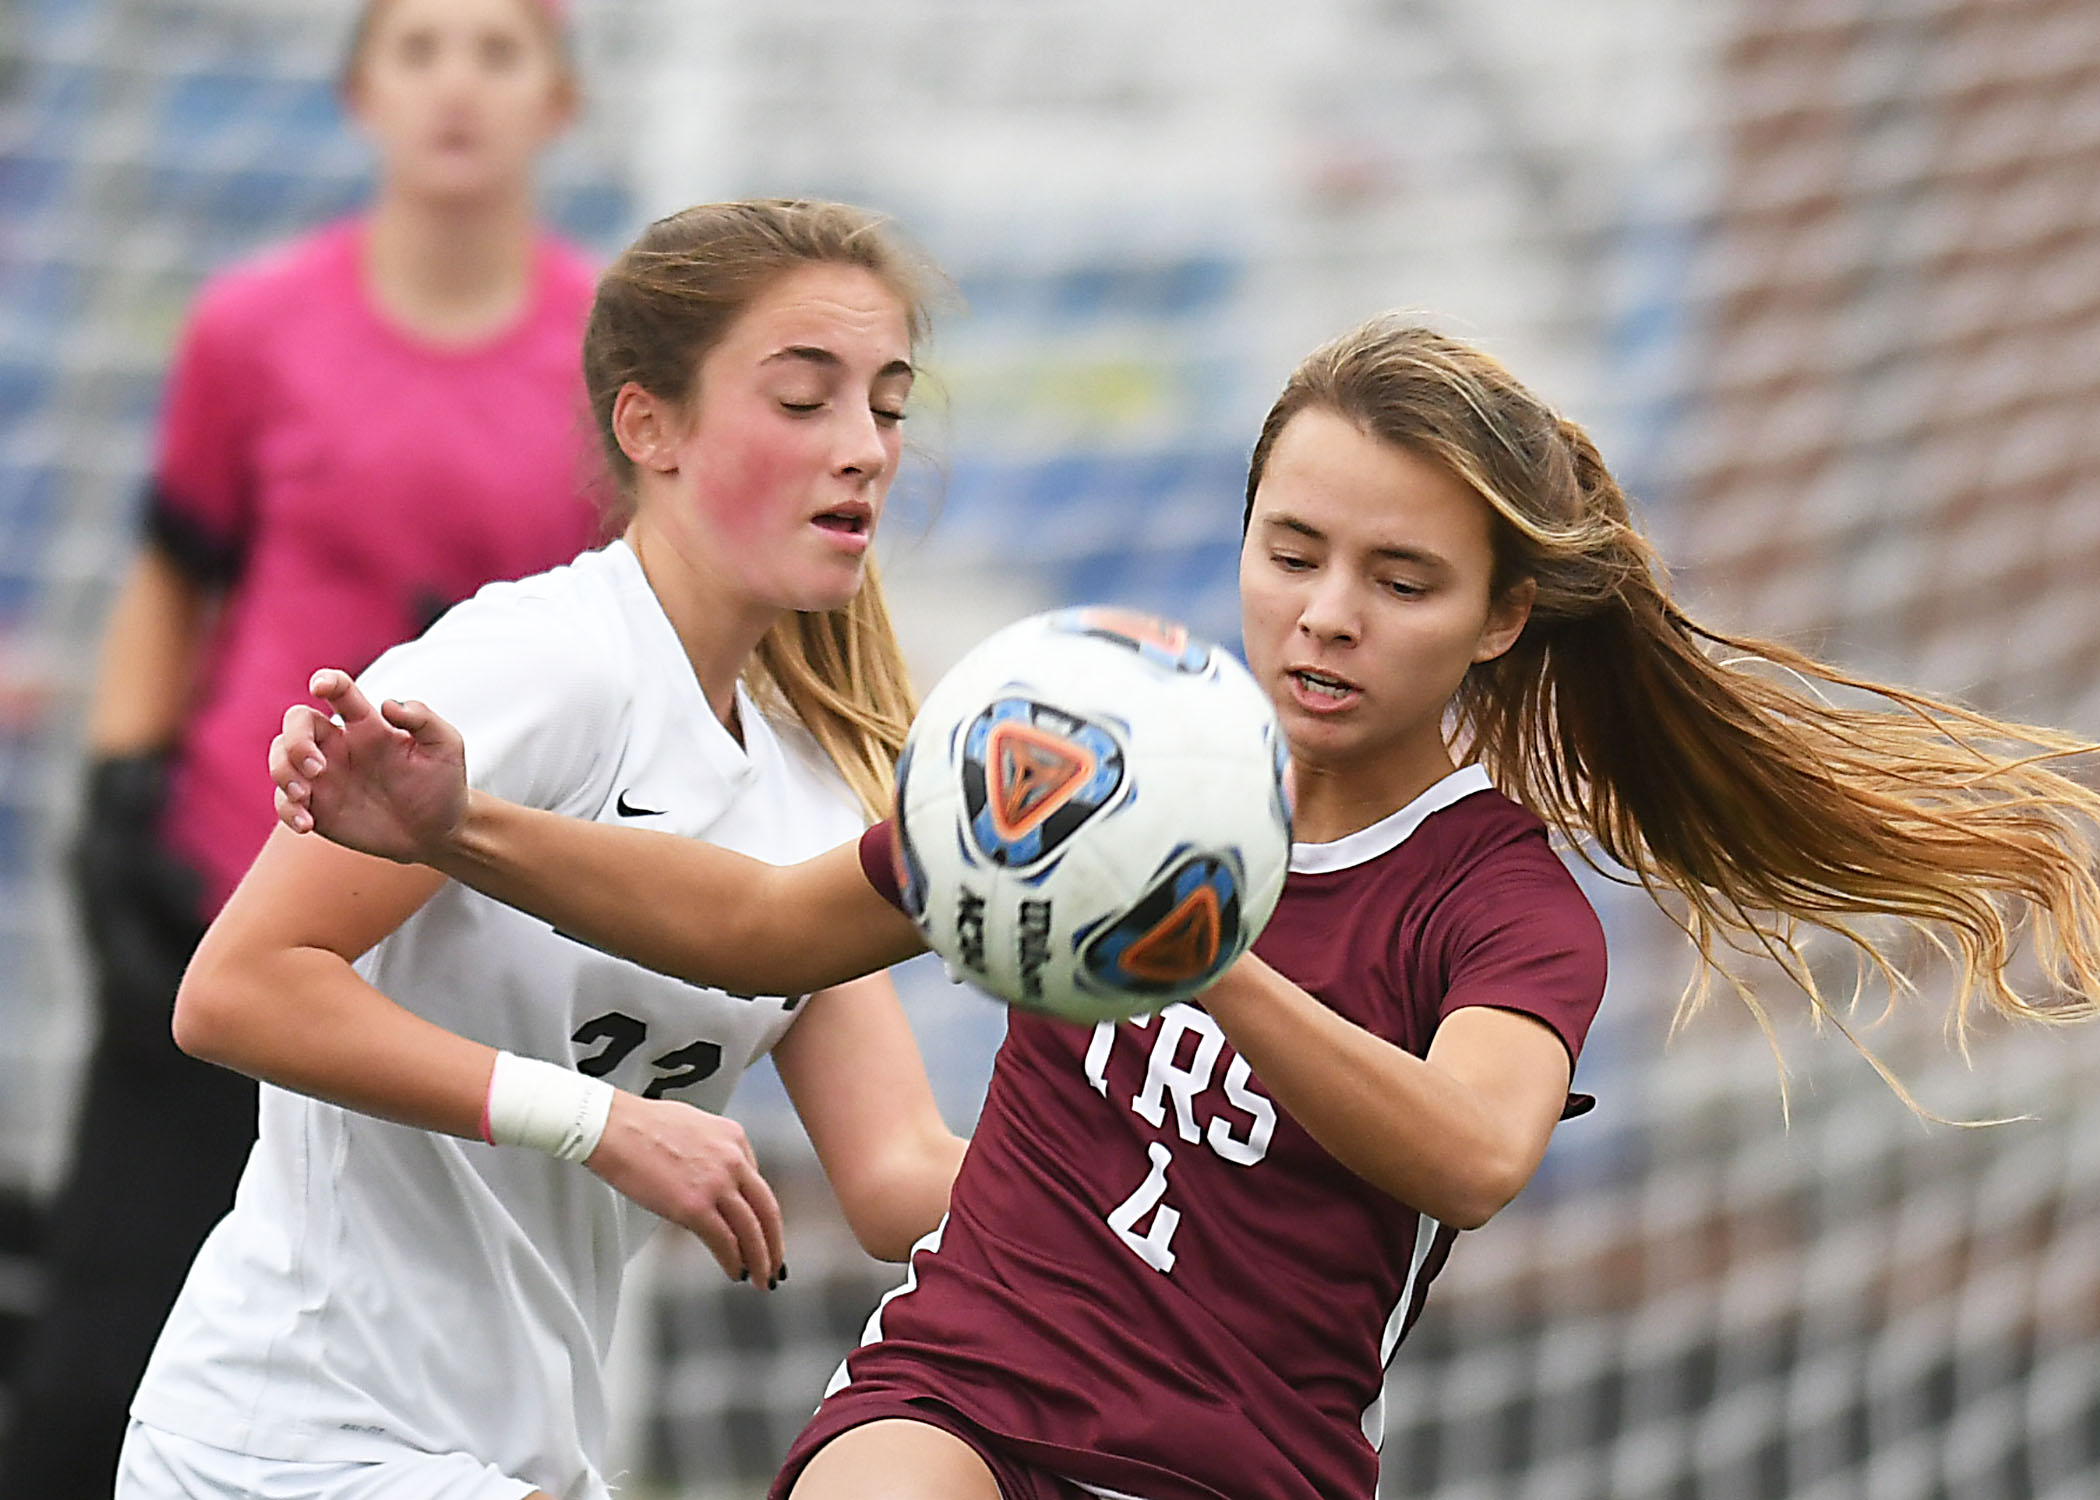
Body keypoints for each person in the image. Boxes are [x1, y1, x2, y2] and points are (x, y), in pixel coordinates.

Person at [269, 316, 2100, 1500]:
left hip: (1240, 1463)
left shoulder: (1504, 899)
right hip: (961, 1395)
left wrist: (1211, 961)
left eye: (1398, 579)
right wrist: (460, 824)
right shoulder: (1087, 749)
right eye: (1292, 552)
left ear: (1498, 619)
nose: (1323, 612)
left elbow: (1470, 1155)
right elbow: (761, 928)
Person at [115, 196, 967, 1500]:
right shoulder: (549, 661)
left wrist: (1171, 1182)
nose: (864, 448)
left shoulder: (817, 785)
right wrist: (594, 1121)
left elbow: (899, 1175)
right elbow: (237, 989)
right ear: (651, 426)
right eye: (805, 400)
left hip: (513, 1460)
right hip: (288, 1441)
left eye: (888, 404)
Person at [1, 2, 604, 1493]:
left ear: (562, 103)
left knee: (410, 1420)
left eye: (497, 50)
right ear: (356, 96)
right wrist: (123, 807)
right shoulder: (254, 327)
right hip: (226, 906)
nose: (456, 85)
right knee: (96, 1381)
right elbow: (176, 576)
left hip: (451, 964)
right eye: (418, 48)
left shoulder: (614, 365)